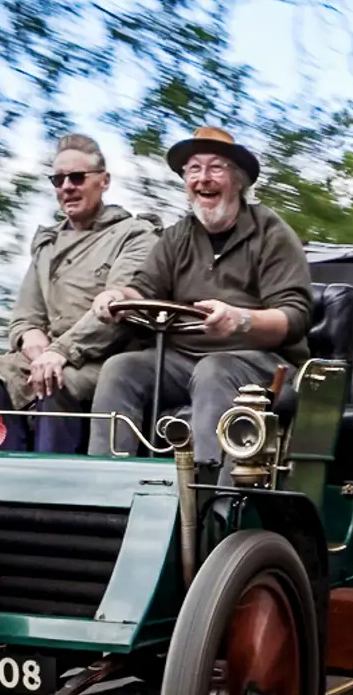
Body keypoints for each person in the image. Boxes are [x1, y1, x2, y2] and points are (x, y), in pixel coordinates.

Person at [89, 126, 311, 466]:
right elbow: (144, 289)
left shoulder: (272, 233)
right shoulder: (177, 236)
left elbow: (293, 318)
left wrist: (240, 320)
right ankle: (108, 492)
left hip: (263, 365)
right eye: (194, 169)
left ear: (238, 181)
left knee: (214, 369)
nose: (203, 179)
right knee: (121, 368)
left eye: (216, 168)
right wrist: (116, 296)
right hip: (182, 359)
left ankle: (209, 506)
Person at [0, 133, 158, 452]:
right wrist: (31, 340)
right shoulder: (47, 245)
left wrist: (59, 351)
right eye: (58, 180)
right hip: (50, 354)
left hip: (107, 356)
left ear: (104, 181)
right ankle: (0, 478)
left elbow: (118, 310)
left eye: (76, 177)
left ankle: (52, 490)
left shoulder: (134, 235)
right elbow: (24, 317)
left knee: (57, 380)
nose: (66, 187)